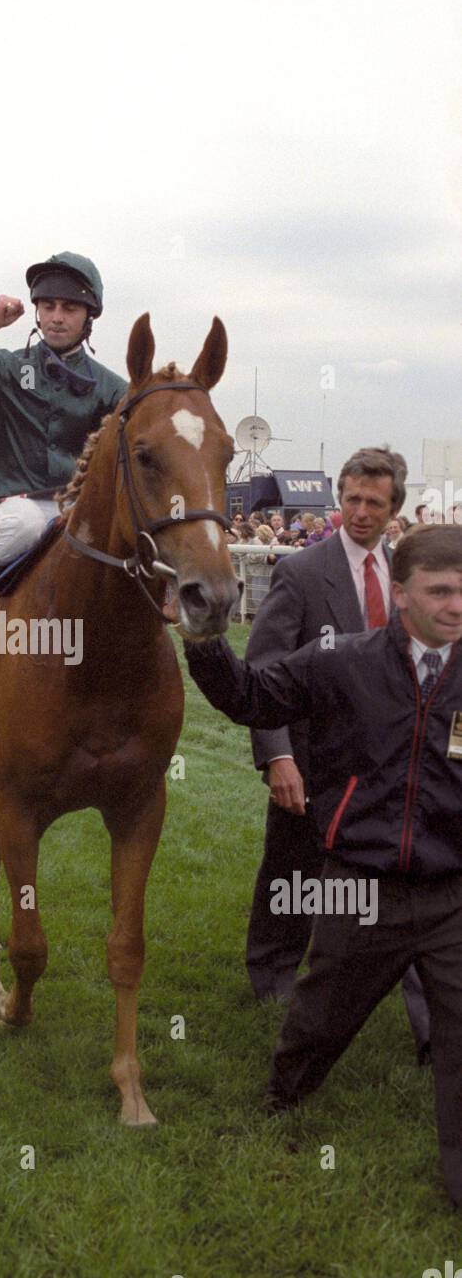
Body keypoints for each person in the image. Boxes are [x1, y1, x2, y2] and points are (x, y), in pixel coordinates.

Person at [185, 525, 462, 1208]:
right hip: (360, 889)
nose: (458, 604)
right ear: (401, 595)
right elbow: (250, 695)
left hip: (452, 893)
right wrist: (203, 638)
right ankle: (285, 1097)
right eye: (442, 591)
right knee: (318, 1022)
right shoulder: (346, 663)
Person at [242, 447, 429, 1059]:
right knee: (292, 873)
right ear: (338, 498)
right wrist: (277, 757)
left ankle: (419, 1001)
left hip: (393, 764)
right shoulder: (301, 573)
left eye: (374, 502)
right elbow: (264, 668)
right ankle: (272, 976)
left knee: (402, 881)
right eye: (351, 498)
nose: (360, 511)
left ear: (394, 508)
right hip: (314, 761)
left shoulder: (412, 575)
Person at [0, 251, 127, 657]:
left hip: (80, 509)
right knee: (24, 525)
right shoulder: (3, 369)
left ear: (88, 317)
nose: (56, 317)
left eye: (69, 308)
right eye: (47, 306)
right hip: (20, 506)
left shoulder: (111, 388)